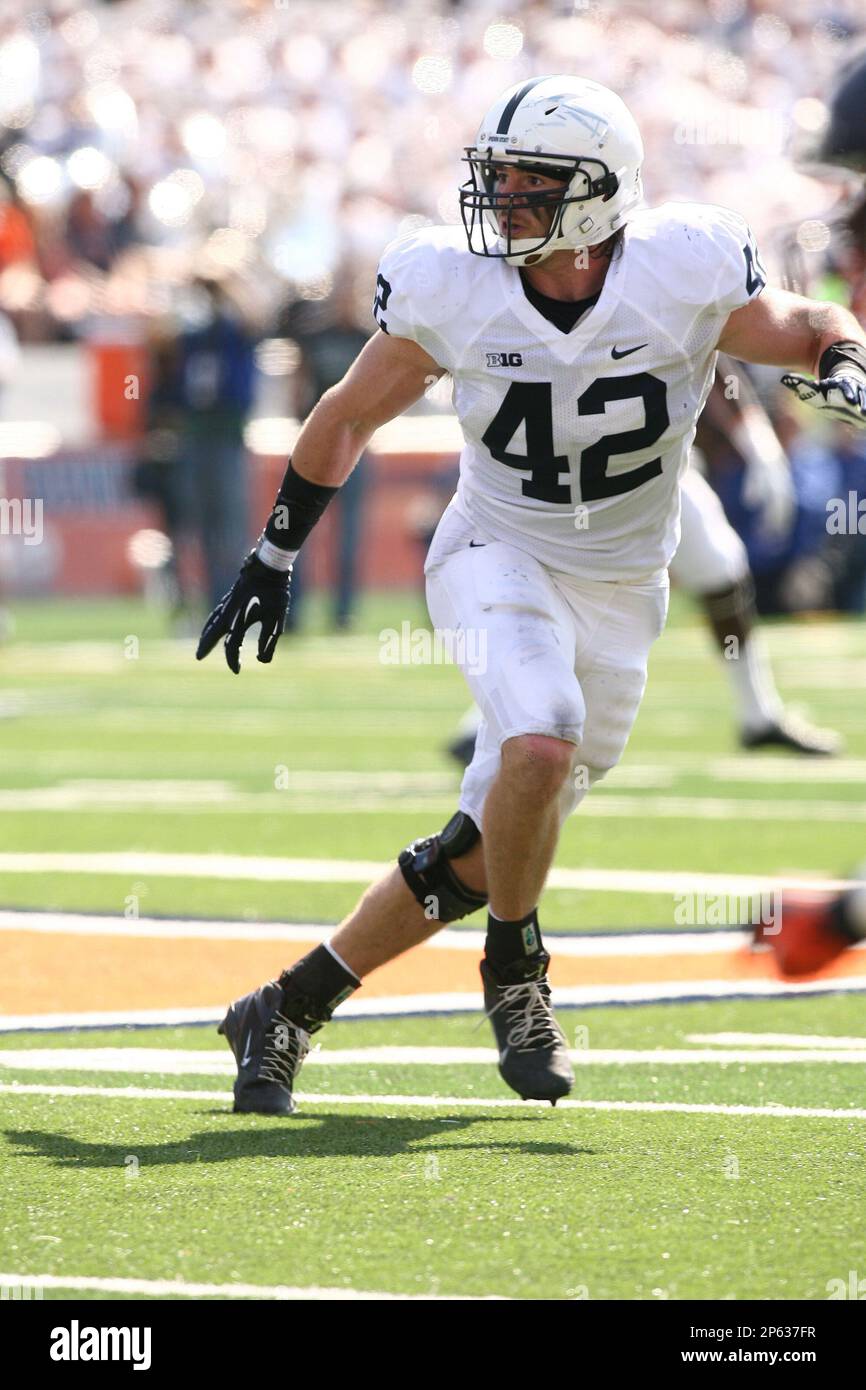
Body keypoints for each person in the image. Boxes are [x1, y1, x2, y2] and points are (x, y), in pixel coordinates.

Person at [196, 75, 866, 1116]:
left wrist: (839, 356)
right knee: (540, 740)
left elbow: (801, 320)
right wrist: (273, 555)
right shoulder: (453, 282)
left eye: (529, 181)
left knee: (479, 850)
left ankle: (285, 1006)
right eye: (497, 176)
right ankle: (517, 974)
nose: (503, 198)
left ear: (599, 194)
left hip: (622, 586)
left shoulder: (679, 267)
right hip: (494, 550)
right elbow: (344, 415)